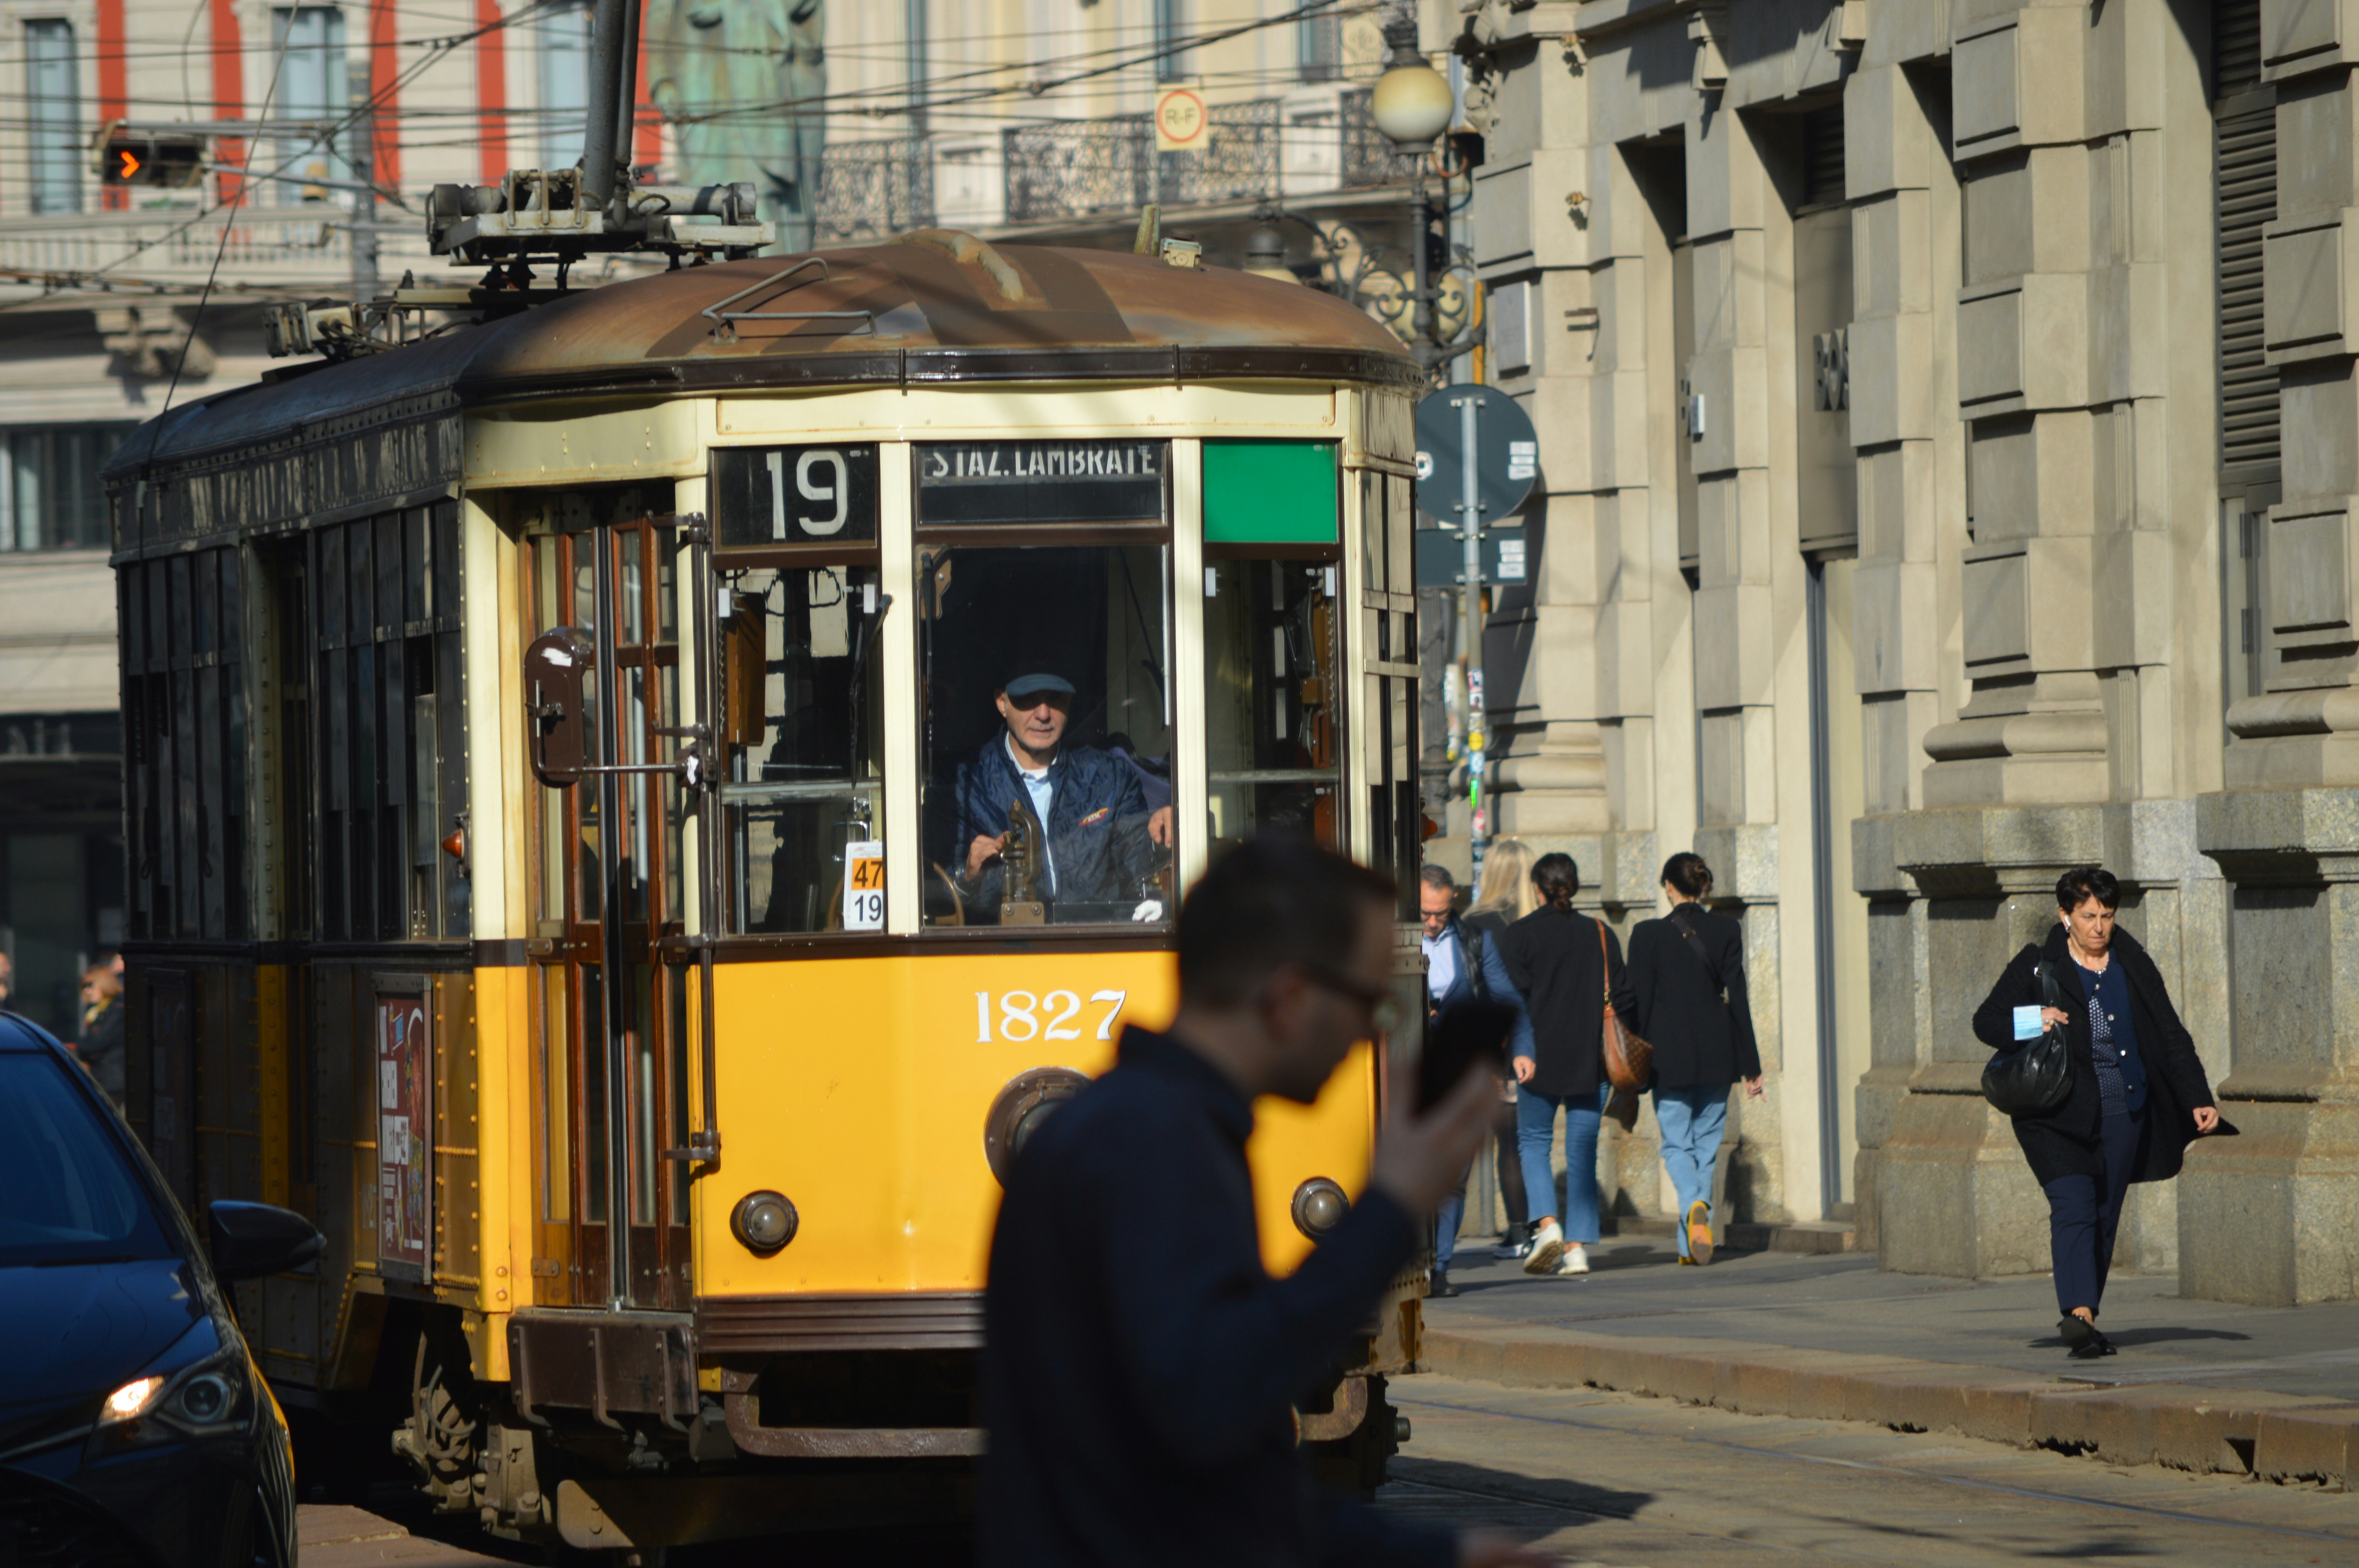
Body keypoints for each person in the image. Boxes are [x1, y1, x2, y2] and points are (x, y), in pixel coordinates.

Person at [978, 836, 1550, 1568]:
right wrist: (1389, 1207)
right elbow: (1213, 1396)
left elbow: (1210, 1489)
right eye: (1367, 1002)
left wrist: (1443, 1555)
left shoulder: (1148, 1127)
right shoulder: (1152, 1142)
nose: (1370, 1033)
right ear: (1288, 998)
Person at [1972, 866, 2226, 1359]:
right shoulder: (2037, 964)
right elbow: (1985, 1021)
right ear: (2064, 915)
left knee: (2104, 1217)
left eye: (2107, 916)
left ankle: (2083, 1316)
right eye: (2088, 916)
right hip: (2053, 1116)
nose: (2099, 927)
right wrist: (2033, 1019)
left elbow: (2172, 1035)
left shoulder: (2131, 963)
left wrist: (2198, 1095)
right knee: (2073, 1208)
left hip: (2121, 1112)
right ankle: (2079, 1315)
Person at [1610, 852, 1761, 1266]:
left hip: (1666, 1056)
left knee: (1677, 1145)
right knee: (1707, 1148)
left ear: (1669, 887)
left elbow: (1635, 1001)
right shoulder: (1727, 930)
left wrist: (1629, 1055)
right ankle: (1691, 1242)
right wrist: (1752, 1066)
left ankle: (1695, 1206)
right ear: (1702, 886)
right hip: (1717, 1052)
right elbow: (1739, 999)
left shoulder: (1646, 934)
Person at [953, 671, 1176, 923]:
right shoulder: (965, 785)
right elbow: (933, 897)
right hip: (1004, 954)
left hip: (1094, 948)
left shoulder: (1109, 777)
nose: (1044, 714)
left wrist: (1160, 838)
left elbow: (1138, 867)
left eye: (1055, 699)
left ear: (1070, 702)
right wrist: (967, 876)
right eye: (1029, 700)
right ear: (1002, 702)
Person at [1496, 852, 1626, 1278]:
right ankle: (1576, 1250)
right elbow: (1624, 998)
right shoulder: (1600, 933)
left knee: (1532, 1141)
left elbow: (1511, 1004)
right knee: (1582, 1151)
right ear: (1574, 886)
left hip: (1537, 1057)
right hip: (1592, 1058)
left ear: (1536, 888)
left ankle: (1547, 1225)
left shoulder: (1518, 936)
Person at [1419, 864, 1534, 1297]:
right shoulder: (1392, 939)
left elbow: (1509, 1000)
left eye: (1441, 913)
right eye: (1426, 912)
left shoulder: (1474, 941)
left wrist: (1522, 1050)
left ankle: (1439, 1267)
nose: (1432, 922)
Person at [1465, 840, 1540, 1259]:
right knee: (1536, 1140)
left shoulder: (1477, 923)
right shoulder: (1541, 921)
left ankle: (1518, 1230)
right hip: (1546, 1042)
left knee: (1509, 1142)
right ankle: (1543, 1223)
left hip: (1501, 1045)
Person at [75, 962, 126, 1112]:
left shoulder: (116, 1010)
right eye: (84, 986)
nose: (88, 991)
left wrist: (73, 1047)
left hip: (112, 1081)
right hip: (102, 1078)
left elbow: (96, 1044)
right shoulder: (96, 1011)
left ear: (104, 982)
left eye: (91, 985)